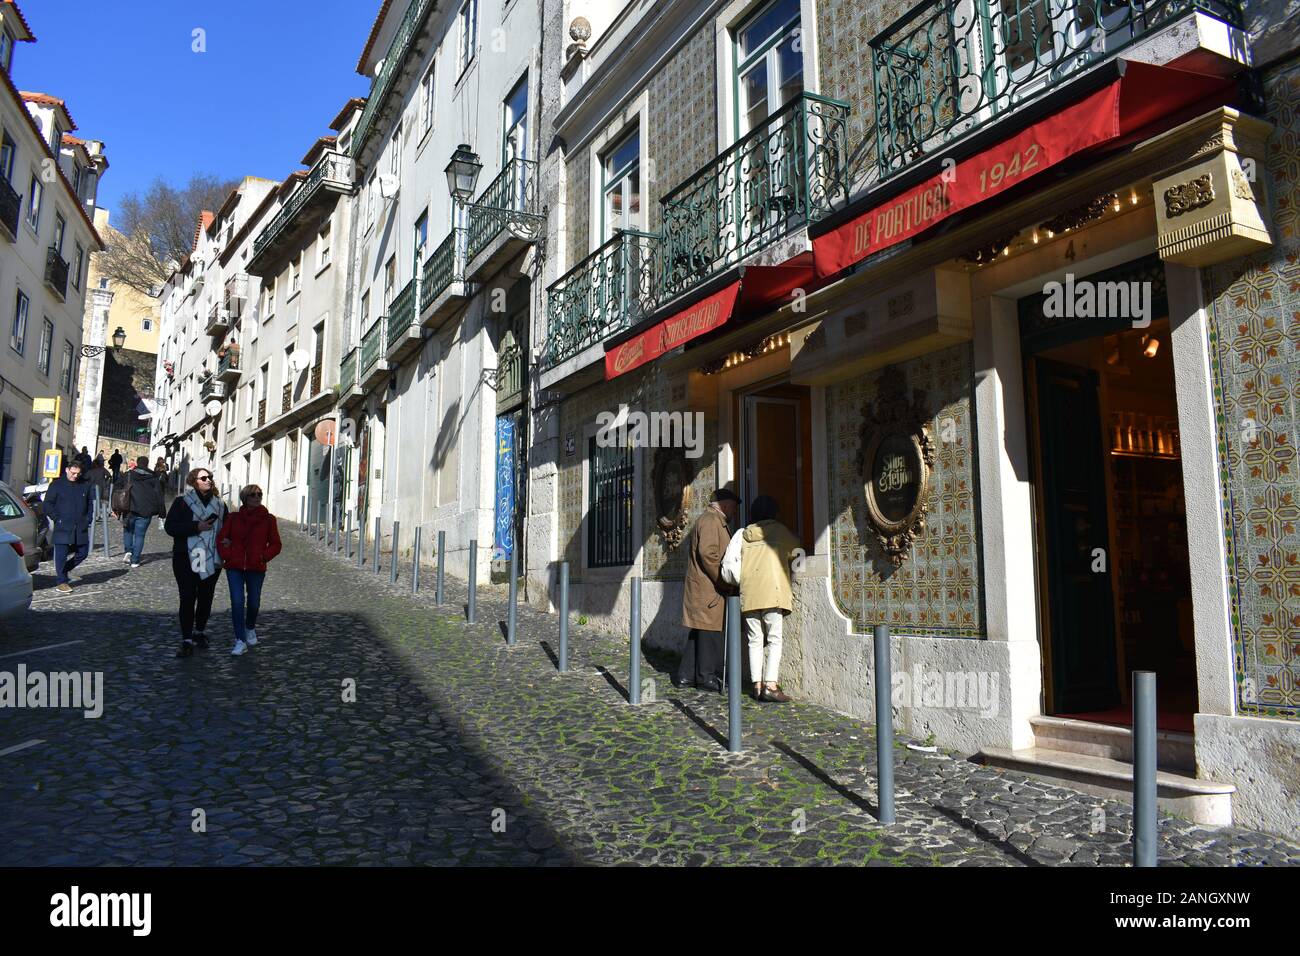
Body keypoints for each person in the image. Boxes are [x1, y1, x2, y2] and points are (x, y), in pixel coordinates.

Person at [727, 495, 802, 703]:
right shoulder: (779, 531)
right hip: (772, 592)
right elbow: (797, 550)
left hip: (749, 593)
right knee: (774, 639)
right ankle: (770, 685)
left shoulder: (745, 534)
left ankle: (756, 685)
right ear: (774, 513)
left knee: (754, 640)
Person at [675, 488, 739, 691]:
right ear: (726, 505)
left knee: (699, 633)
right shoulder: (712, 521)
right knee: (709, 633)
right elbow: (708, 554)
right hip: (709, 590)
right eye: (734, 508)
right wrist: (723, 581)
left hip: (703, 589)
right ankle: (705, 677)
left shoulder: (709, 519)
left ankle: (685, 676)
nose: (734, 513)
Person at [164, 468, 228, 658]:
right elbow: (170, 527)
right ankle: (186, 639)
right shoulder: (182, 502)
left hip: (212, 556)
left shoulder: (220, 505)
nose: (208, 480)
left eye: (210, 478)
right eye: (203, 478)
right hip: (186, 556)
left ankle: (199, 631)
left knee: (206, 597)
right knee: (188, 596)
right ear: (194, 481)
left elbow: (226, 528)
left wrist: (227, 540)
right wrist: (195, 527)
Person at [217, 484, 282, 656]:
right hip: (234, 567)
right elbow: (222, 538)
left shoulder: (269, 519)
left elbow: (276, 544)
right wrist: (227, 555)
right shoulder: (233, 518)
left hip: (256, 567)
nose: (257, 497)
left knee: (254, 603)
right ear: (245, 497)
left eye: (259, 494)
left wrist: (263, 556)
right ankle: (240, 640)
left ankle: (250, 627)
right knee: (237, 602)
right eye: (253, 494)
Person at [43, 461, 94, 594]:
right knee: (61, 554)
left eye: (78, 473)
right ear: (67, 470)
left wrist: (89, 518)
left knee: (83, 553)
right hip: (63, 525)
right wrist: (57, 518)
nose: (75, 476)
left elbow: (89, 503)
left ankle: (63, 570)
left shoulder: (84, 485)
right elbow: (47, 504)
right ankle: (61, 581)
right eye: (73, 473)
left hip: (80, 525)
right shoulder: (56, 485)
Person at [114, 455, 167, 568]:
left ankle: (128, 551)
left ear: (137, 463)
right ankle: (135, 561)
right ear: (147, 464)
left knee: (128, 531)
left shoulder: (128, 475)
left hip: (129, 508)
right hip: (145, 511)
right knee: (140, 536)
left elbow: (117, 489)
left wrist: (115, 508)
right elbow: (159, 496)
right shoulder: (153, 478)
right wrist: (162, 512)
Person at [82, 457, 113, 526]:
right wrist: (105, 480)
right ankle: (96, 514)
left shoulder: (91, 470)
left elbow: (85, 478)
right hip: (100, 487)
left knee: (91, 501)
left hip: (91, 486)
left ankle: (93, 515)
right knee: (97, 501)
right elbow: (109, 475)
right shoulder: (102, 470)